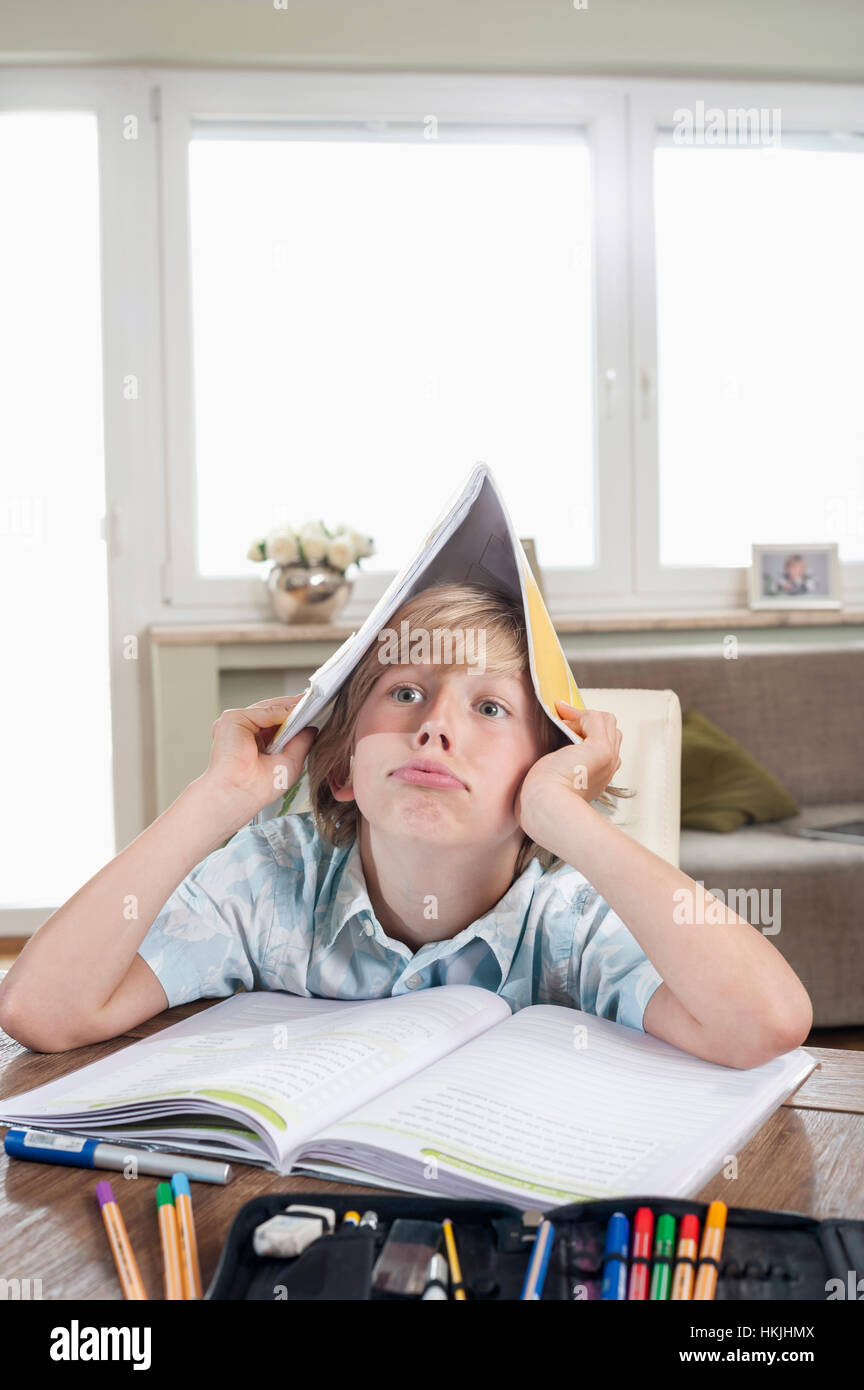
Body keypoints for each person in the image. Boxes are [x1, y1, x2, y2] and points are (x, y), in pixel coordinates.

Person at [0, 583, 812, 1067]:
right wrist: (215, 800)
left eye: (489, 707)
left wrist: (569, 820)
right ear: (345, 766)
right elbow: (43, 1010)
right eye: (406, 693)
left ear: (535, 780)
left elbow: (766, 1023)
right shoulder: (270, 881)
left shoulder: (568, 921)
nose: (436, 728)